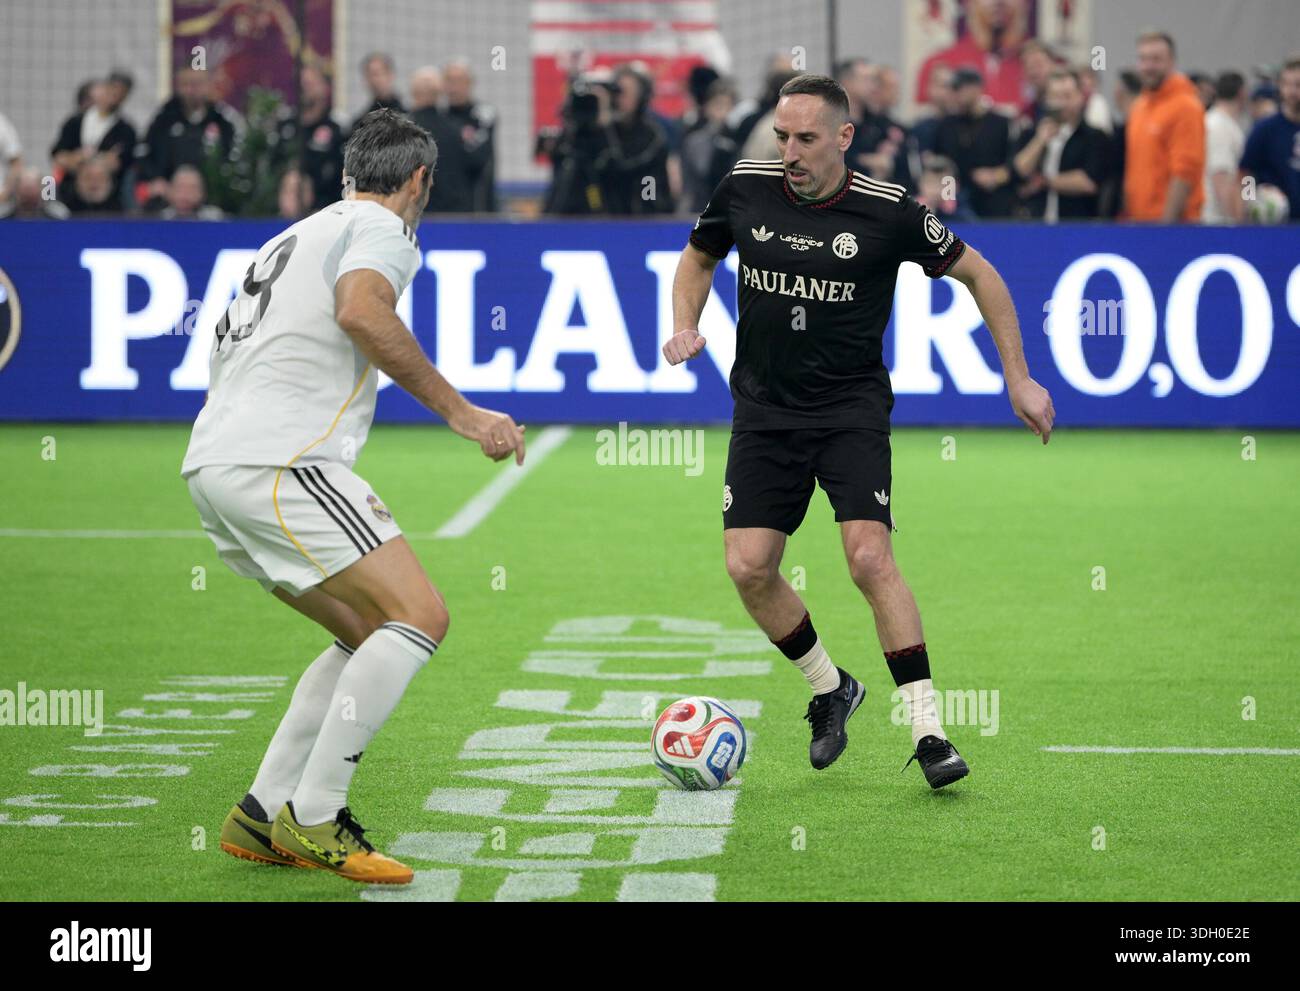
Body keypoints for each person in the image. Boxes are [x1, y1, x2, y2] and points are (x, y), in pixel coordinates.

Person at [663, 74, 1054, 789]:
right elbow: (699, 256)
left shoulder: (890, 209)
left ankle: (930, 732)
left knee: (869, 558)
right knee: (749, 566)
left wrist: (1019, 377)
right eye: (782, 136)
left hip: (849, 410)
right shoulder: (745, 186)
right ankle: (830, 687)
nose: (790, 152)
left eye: (805, 138)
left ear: (844, 137)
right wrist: (684, 323)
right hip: (764, 412)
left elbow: (982, 276)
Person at [182, 109, 526, 884]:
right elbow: (362, 310)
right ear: (418, 180)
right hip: (281, 461)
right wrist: (464, 414)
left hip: (215, 463)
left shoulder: (297, 234)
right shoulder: (384, 228)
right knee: (420, 615)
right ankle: (316, 813)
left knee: (364, 629)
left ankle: (263, 809)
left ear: (348, 173)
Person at [1123, 31, 1205, 222]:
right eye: (1143, 59)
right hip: (1140, 221)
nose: (1148, 66)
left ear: (1171, 62)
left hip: (1174, 225)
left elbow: (1185, 171)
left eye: (1156, 59)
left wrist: (1165, 228)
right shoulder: (1140, 106)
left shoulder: (1186, 107)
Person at [1012, 69, 1110, 221]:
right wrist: (1040, 140)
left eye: (1067, 96)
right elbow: (1019, 170)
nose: (1061, 103)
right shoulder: (1031, 133)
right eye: (1055, 96)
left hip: (1077, 222)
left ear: (1080, 97)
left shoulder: (1095, 136)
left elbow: (1088, 181)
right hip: (1035, 221)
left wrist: (1044, 182)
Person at [934, 67, 1016, 217]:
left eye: (959, 88)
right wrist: (947, 195)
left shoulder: (1001, 123)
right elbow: (941, 162)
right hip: (955, 200)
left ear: (976, 88)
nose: (955, 94)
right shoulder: (947, 124)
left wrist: (996, 175)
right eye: (953, 89)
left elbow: (1013, 163)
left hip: (994, 199)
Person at [1240, 58, 1300, 222]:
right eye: (1286, 84)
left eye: (1297, 85)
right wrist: (1250, 202)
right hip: (1276, 225)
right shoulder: (1265, 129)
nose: (1292, 92)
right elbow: (1246, 173)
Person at [1202, 72, 1247, 224]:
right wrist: (1238, 221)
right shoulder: (1219, 127)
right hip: (1218, 220)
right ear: (1242, 93)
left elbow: (1245, 176)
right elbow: (1221, 176)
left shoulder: (1229, 126)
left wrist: (1250, 199)